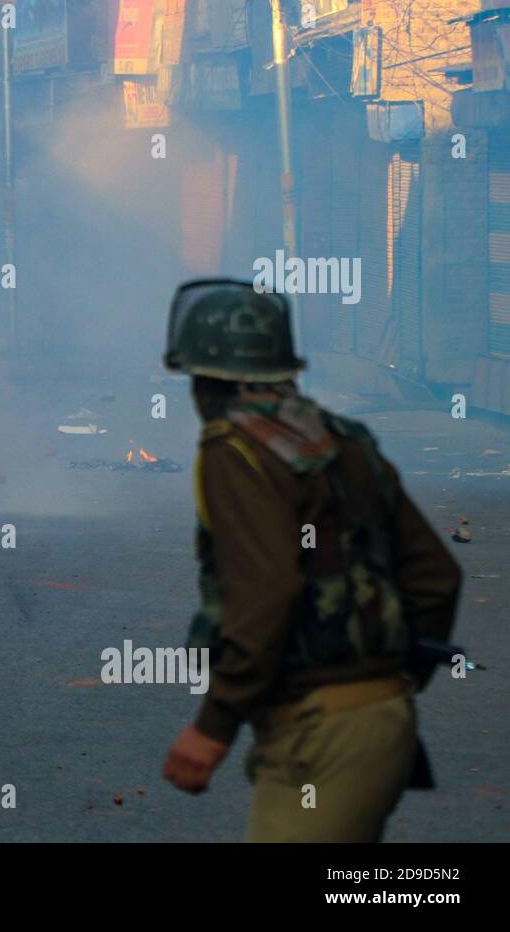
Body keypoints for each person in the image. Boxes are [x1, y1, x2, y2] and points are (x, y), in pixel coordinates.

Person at [159, 278, 462, 841]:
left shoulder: (235, 451)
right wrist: (387, 682)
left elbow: (267, 592)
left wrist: (212, 728)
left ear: (206, 379)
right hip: (383, 722)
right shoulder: (346, 439)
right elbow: (437, 576)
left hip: (321, 733)